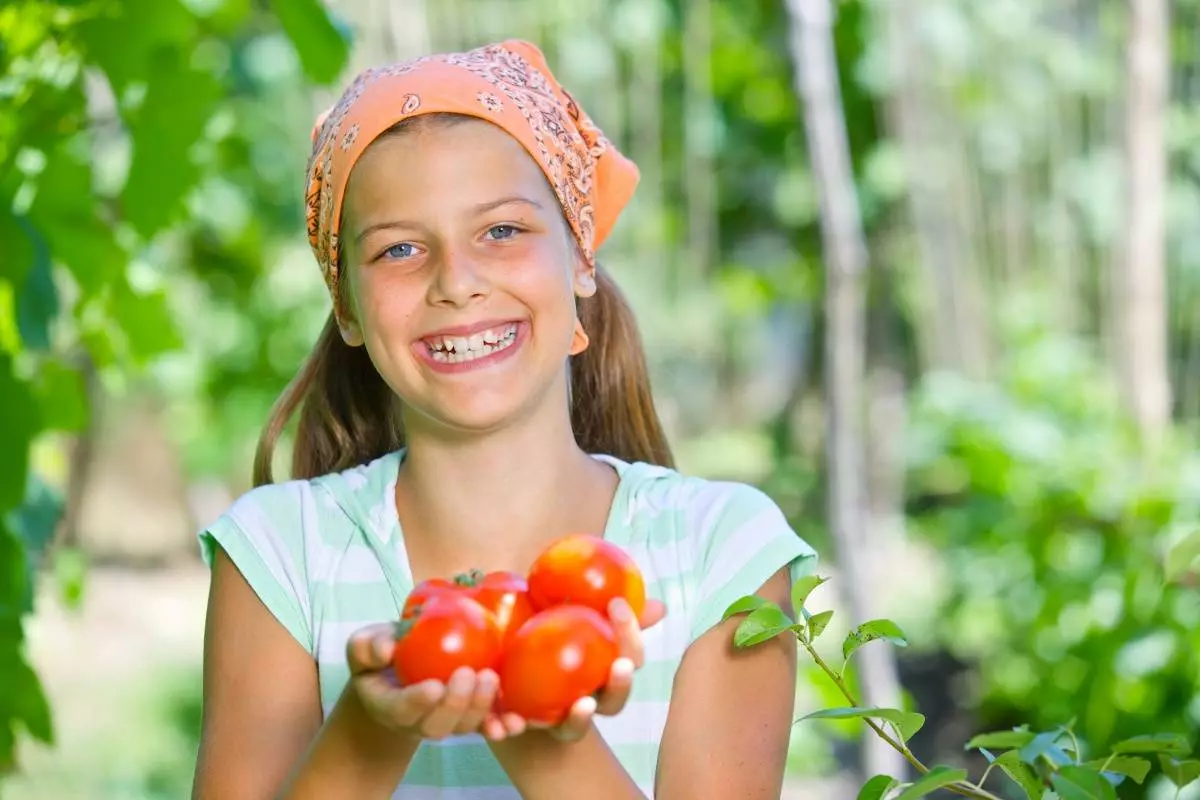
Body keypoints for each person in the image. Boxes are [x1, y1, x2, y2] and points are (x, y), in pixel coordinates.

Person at [191, 39, 817, 800]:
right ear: (347, 307)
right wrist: (370, 725)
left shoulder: (724, 552)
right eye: (399, 249)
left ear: (580, 259)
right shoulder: (279, 554)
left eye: (502, 231)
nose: (456, 282)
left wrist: (539, 726)